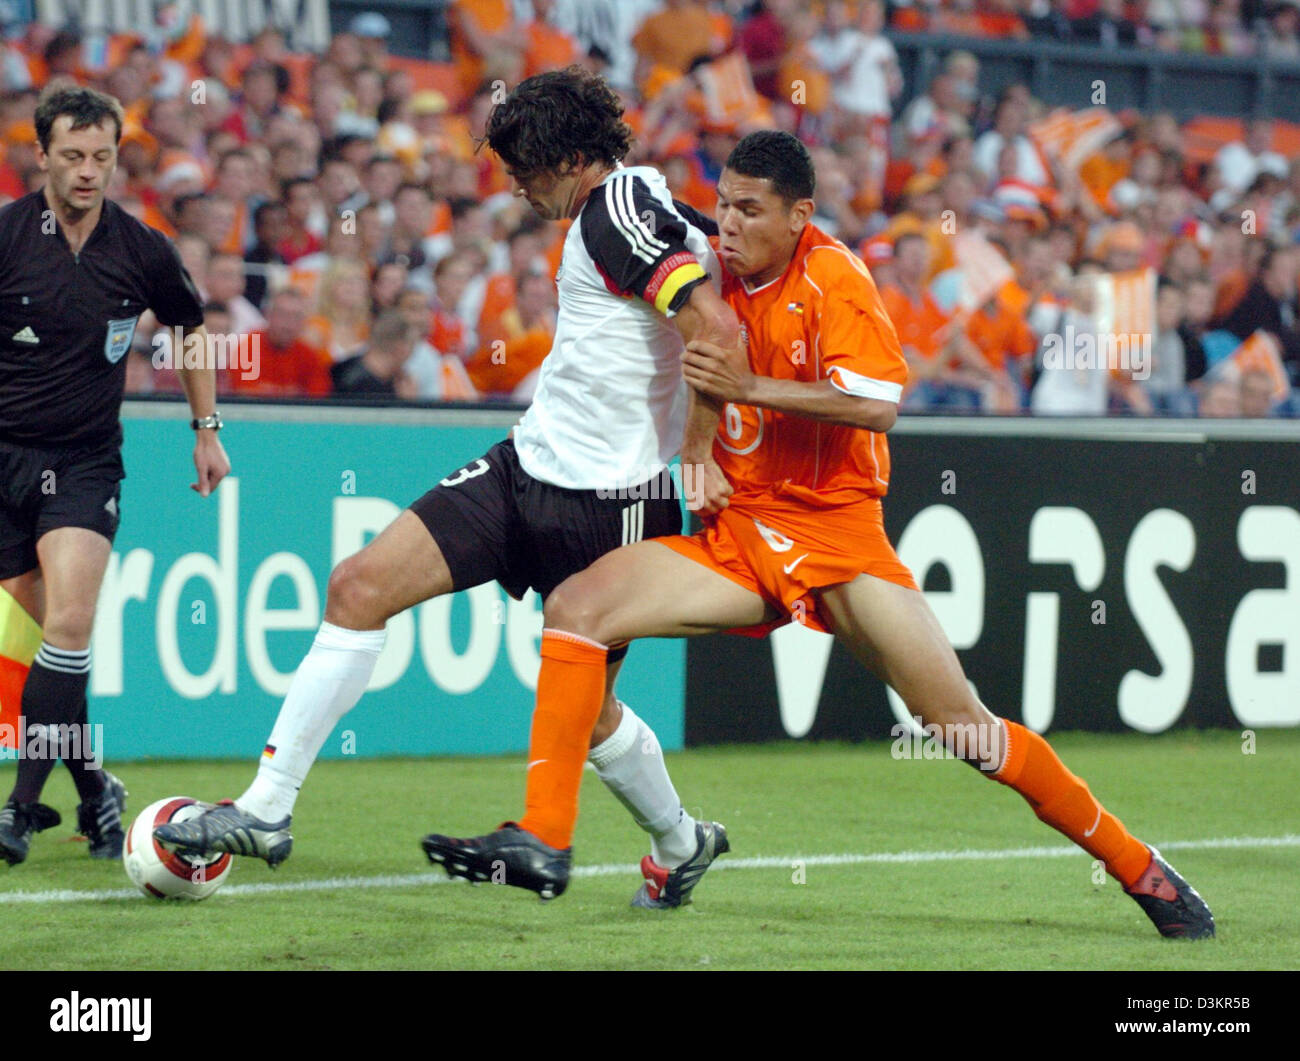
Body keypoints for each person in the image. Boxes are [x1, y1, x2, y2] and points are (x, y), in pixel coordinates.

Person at [422, 131, 1216, 940]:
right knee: (576, 606)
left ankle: (1137, 865)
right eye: (724, 202)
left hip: (839, 534)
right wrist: (697, 444)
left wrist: (751, 390)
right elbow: (681, 312)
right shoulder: (705, 262)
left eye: (750, 209)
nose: (727, 223)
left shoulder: (835, 276)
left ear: (800, 214)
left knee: (964, 727)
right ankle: (546, 838)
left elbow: (876, 405)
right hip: (740, 532)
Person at [156, 67, 738, 909]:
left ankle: (682, 839)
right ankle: (266, 808)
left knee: (594, 713)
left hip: (614, 503)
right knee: (359, 585)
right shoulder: (645, 206)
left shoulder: (615, 213)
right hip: (526, 467)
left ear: (570, 157)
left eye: (523, 168)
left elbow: (710, 326)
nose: (515, 184)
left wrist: (697, 453)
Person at [0, 85, 229, 865]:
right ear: (42, 157)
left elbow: (191, 327)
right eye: (73, 156)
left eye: (101, 157)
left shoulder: (140, 248)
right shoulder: (4, 237)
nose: (89, 171)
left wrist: (206, 429)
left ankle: (20, 810)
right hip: (4, 463)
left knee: (67, 627)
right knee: (51, 655)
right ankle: (96, 790)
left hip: (87, 460)